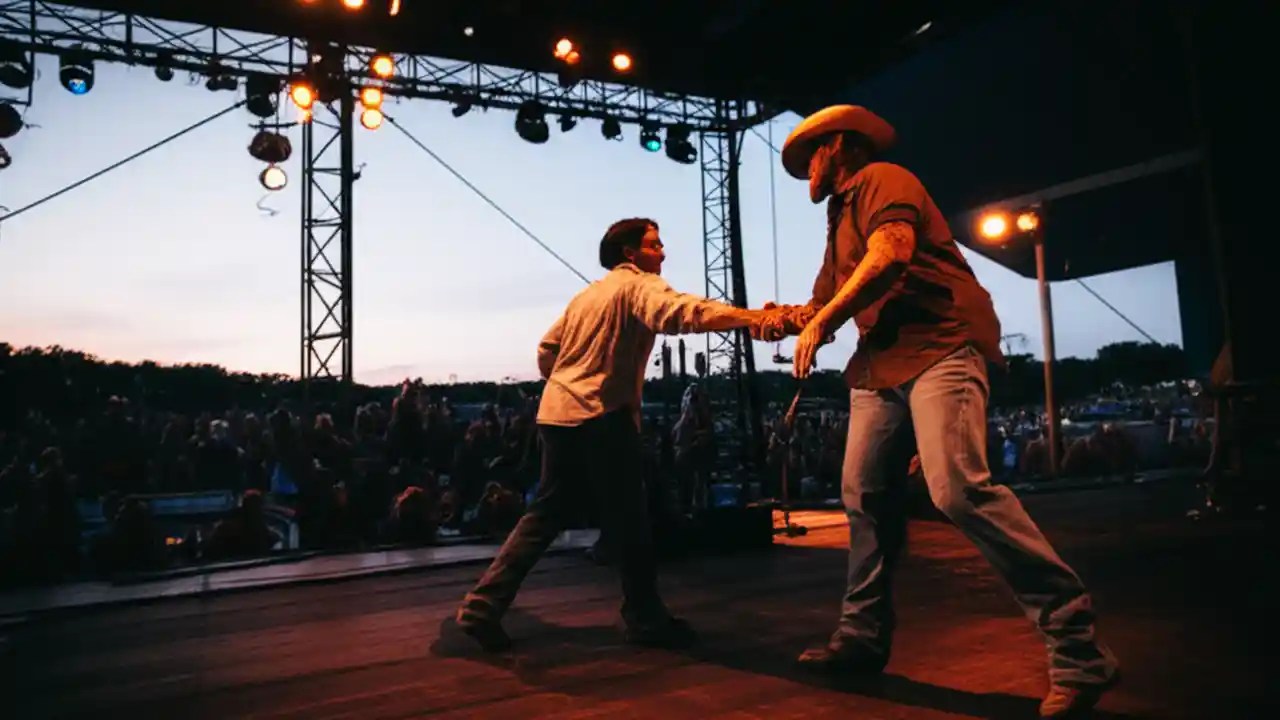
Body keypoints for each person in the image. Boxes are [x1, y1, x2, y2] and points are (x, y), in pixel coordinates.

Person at [755, 106, 1119, 719]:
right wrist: (777, 318)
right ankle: (862, 638)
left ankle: (1078, 650)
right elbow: (820, 303)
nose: (805, 171)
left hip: (941, 346)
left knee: (957, 490)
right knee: (862, 494)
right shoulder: (837, 215)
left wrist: (823, 320)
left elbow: (892, 252)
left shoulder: (882, 179)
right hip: (880, 366)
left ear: (838, 146)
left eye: (810, 156)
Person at [456, 218, 769, 652]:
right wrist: (751, 319)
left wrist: (568, 377)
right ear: (630, 253)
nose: (663, 252)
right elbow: (685, 313)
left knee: (546, 513)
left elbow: (547, 350)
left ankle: (482, 606)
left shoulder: (586, 296)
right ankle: (644, 618)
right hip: (602, 414)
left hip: (557, 413)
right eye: (654, 244)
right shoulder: (638, 287)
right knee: (631, 519)